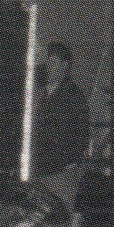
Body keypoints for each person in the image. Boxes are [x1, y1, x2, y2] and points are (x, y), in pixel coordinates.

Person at [32, 40, 90, 213]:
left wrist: (68, 164)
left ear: (65, 66)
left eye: (53, 62)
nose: (48, 67)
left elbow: (81, 137)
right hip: (40, 171)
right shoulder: (41, 94)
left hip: (60, 175)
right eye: (47, 61)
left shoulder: (74, 97)